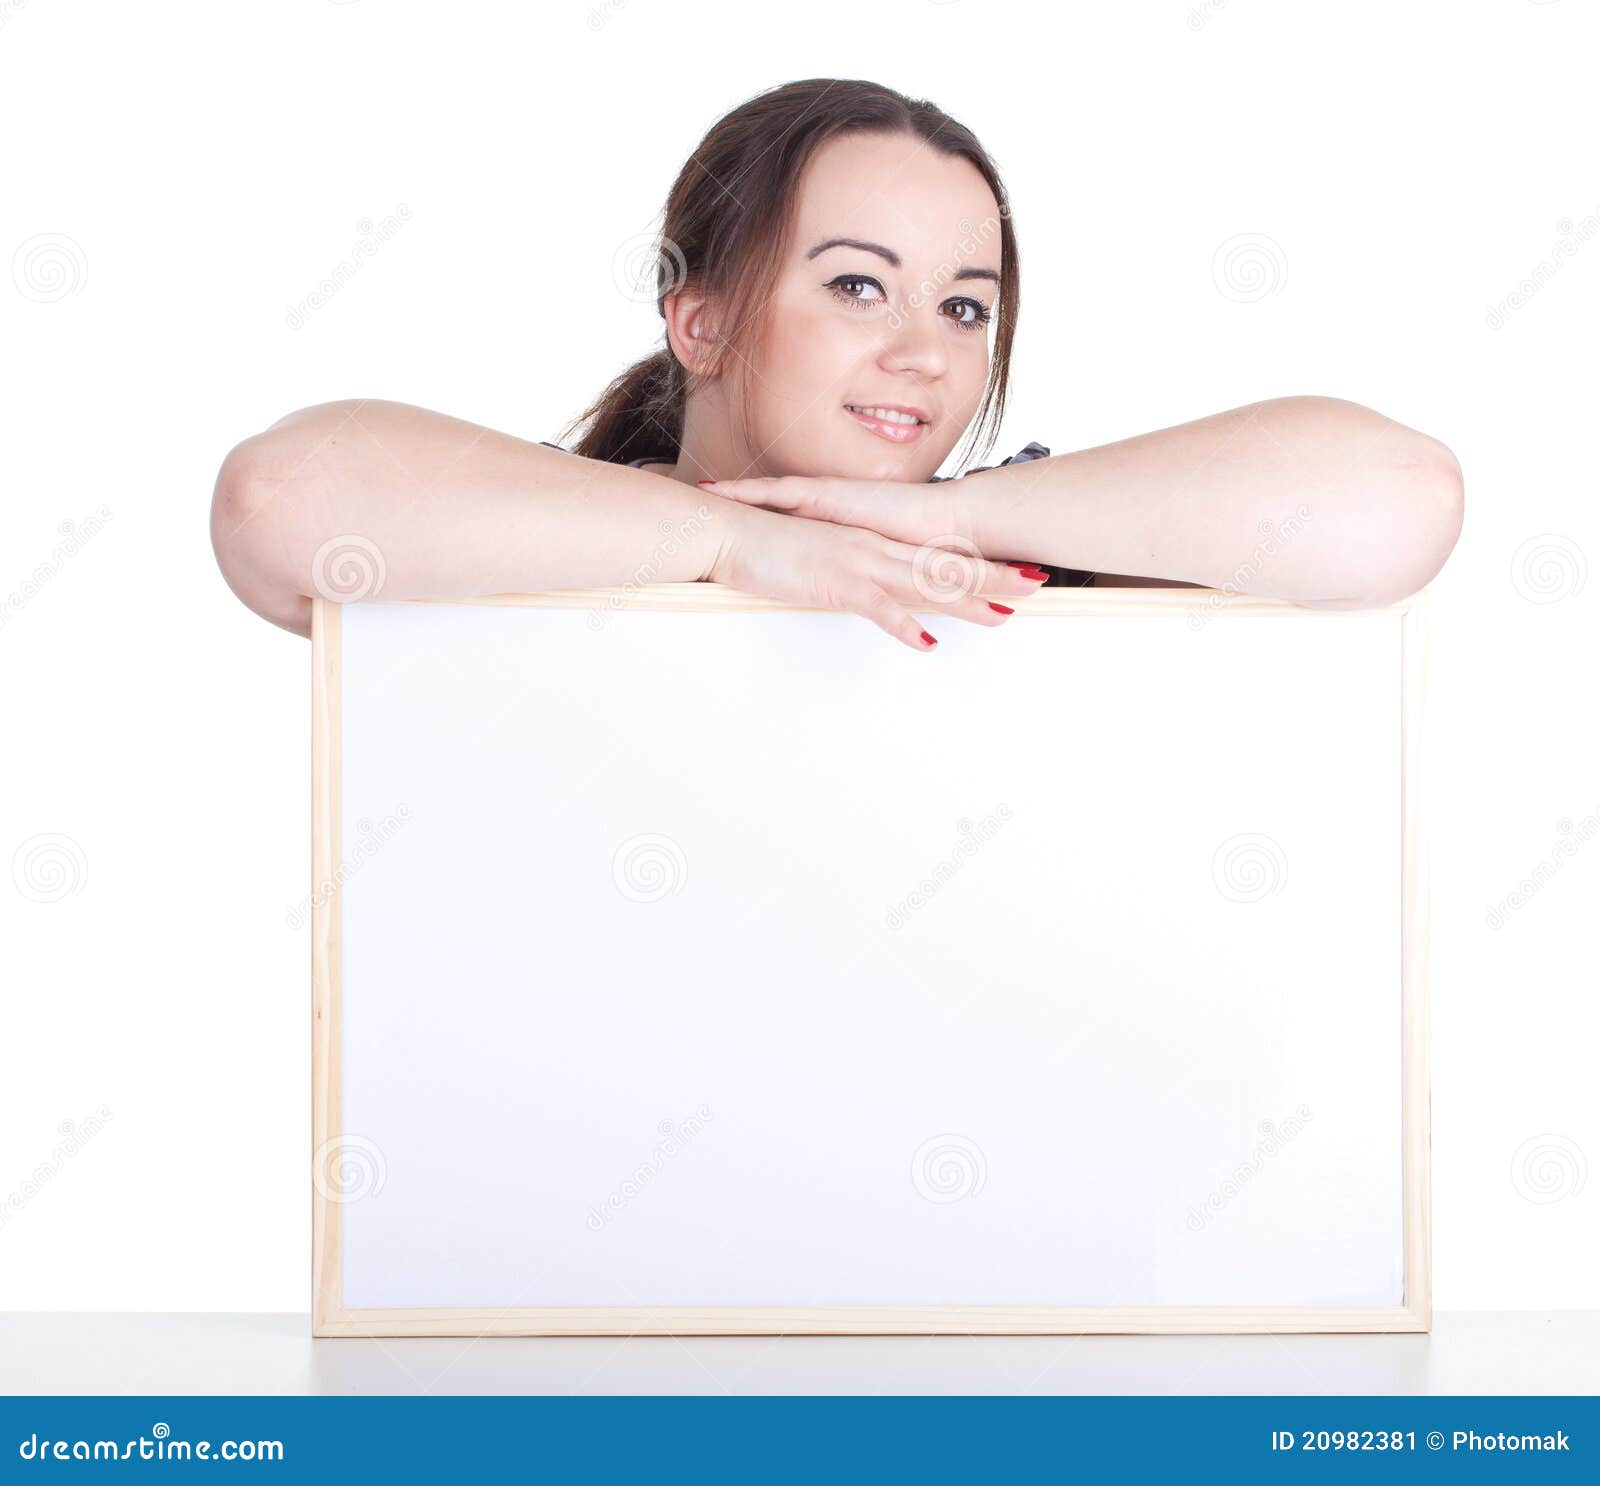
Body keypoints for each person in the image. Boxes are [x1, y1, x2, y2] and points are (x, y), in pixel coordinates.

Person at [210, 78, 1462, 651]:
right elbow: (278, 501)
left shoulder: (1025, 549)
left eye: (967, 309)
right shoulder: (513, 546)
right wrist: (727, 545)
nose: (923, 352)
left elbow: (1400, 500)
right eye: (858, 284)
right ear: (697, 323)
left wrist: (955, 513)